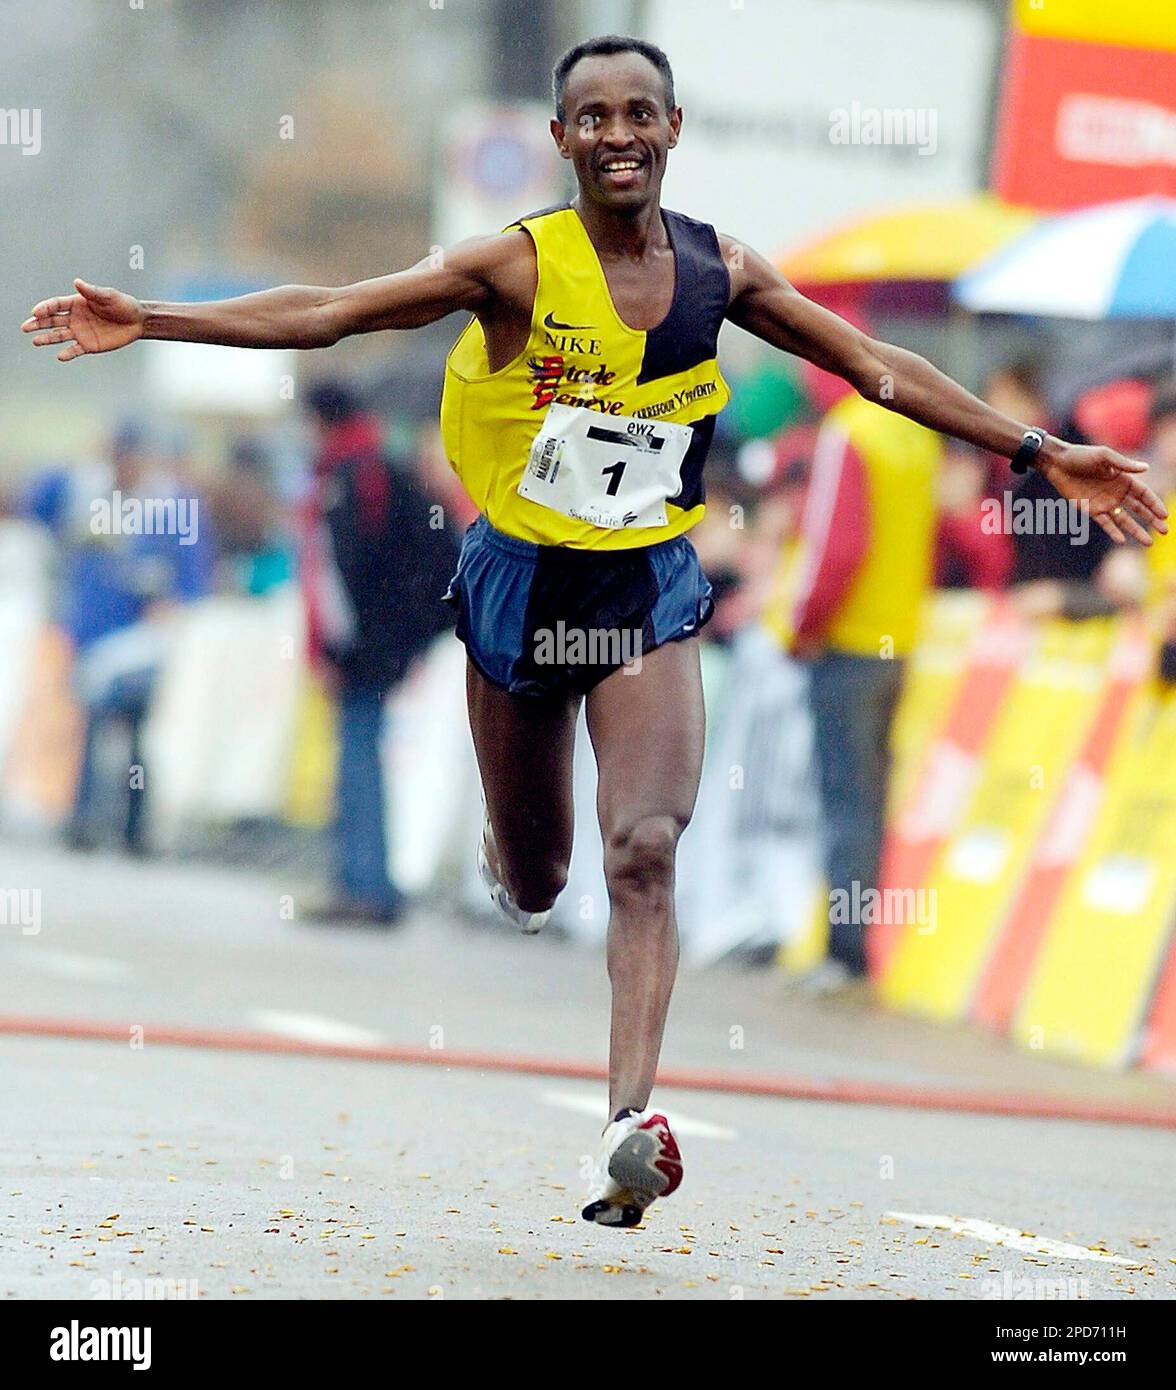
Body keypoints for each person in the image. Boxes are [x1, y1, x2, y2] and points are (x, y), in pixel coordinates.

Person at [21, 34, 1167, 1227]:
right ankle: (509, 852)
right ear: (563, 140)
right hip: (521, 587)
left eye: (641, 113)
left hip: (644, 591)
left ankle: (626, 1124)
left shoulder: (721, 272)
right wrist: (149, 317)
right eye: (594, 116)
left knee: (646, 850)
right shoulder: (513, 267)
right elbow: (334, 312)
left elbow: (875, 364)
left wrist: (1040, 452)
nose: (619, 133)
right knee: (540, 870)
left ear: (673, 130)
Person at [299, 381, 459, 926]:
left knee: (359, 762)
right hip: (379, 642)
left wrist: (357, 644)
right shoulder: (375, 466)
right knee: (360, 759)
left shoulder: (353, 474)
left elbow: (346, 570)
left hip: (366, 646)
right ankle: (365, 880)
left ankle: (365, 885)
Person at [21, 418, 209, 853]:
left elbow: (193, 573)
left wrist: (173, 605)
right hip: (93, 635)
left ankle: (133, 828)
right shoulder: (88, 495)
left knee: (140, 734)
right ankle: (85, 821)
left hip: (142, 642)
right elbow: (40, 506)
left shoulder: (167, 504)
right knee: (90, 726)